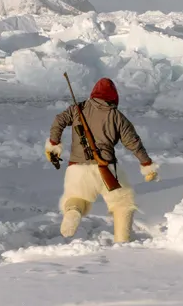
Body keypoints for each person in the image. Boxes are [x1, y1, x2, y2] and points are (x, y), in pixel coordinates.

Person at [45, 77, 158, 243]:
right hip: (107, 167)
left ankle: (73, 212)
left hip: (77, 169)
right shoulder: (116, 116)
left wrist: (54, 144)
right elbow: (133, 142)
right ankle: (122, 240)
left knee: (76, 198)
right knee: (123, 203)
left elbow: (58, 121)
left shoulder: (78, 108)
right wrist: (146, 164)